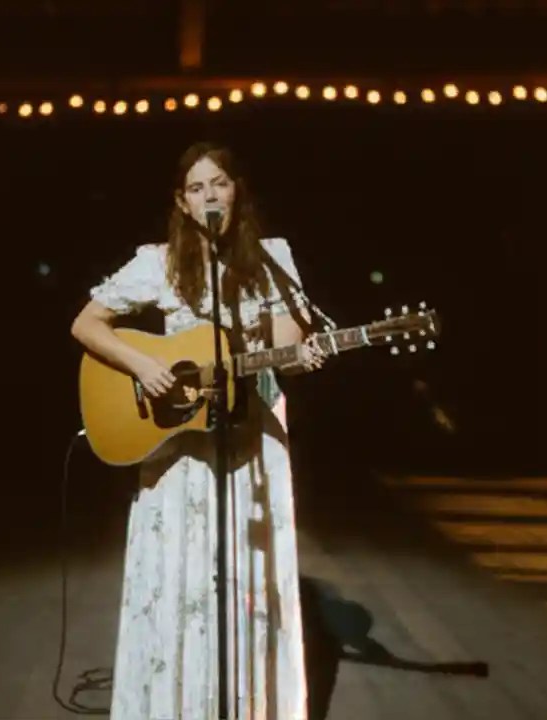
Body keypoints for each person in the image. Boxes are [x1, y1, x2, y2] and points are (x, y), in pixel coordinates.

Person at [70, 140, 327, 719]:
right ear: (182, 203)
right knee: (180, 575)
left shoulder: (272, 258)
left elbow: (288, 344)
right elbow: (86, 324)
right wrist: (144, 365)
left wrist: (298, 355)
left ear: (237, 192)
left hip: (251, 440)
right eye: (197, 187)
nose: (209, 195)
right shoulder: (158, 262)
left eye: (219, 183)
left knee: (244, 574)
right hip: (180, 447)